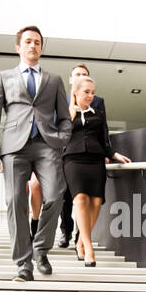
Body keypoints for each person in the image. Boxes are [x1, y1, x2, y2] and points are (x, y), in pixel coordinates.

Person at [0, 25, 71, 282]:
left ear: (41, 48)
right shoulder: (3, 77)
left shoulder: (54, 80)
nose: (33, 46)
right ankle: (23, 263)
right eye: (29, 42)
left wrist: (62, 138)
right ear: (18, 47)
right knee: (15, 201)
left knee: (55, 195)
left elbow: (64, 117)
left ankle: (40, 249)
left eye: (38, 42)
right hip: (14, 148)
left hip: (47, 145)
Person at [62, 75, 130, 267]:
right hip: (73, 160)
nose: (91, 95)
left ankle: (80, 241)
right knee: (80, 198)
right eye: (86, 92)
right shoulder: (66, 115)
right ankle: (88, 248)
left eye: (93, 92)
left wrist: (115, 154)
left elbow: (104, 141)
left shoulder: (98, 115)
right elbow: (57, 140)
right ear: (75, 92)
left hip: (95, 160)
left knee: (96, 202)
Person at [57, 63, 91, 248]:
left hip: (87, 157)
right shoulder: (61, 101)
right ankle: (66, 232)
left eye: (84, 74)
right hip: (66, 155)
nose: (80, 77)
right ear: (71, 79)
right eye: (77, 74)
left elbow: (102, 129)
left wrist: (106, 152)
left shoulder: (97, 101)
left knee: (83, 197)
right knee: (66, 198)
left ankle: (81, 236)